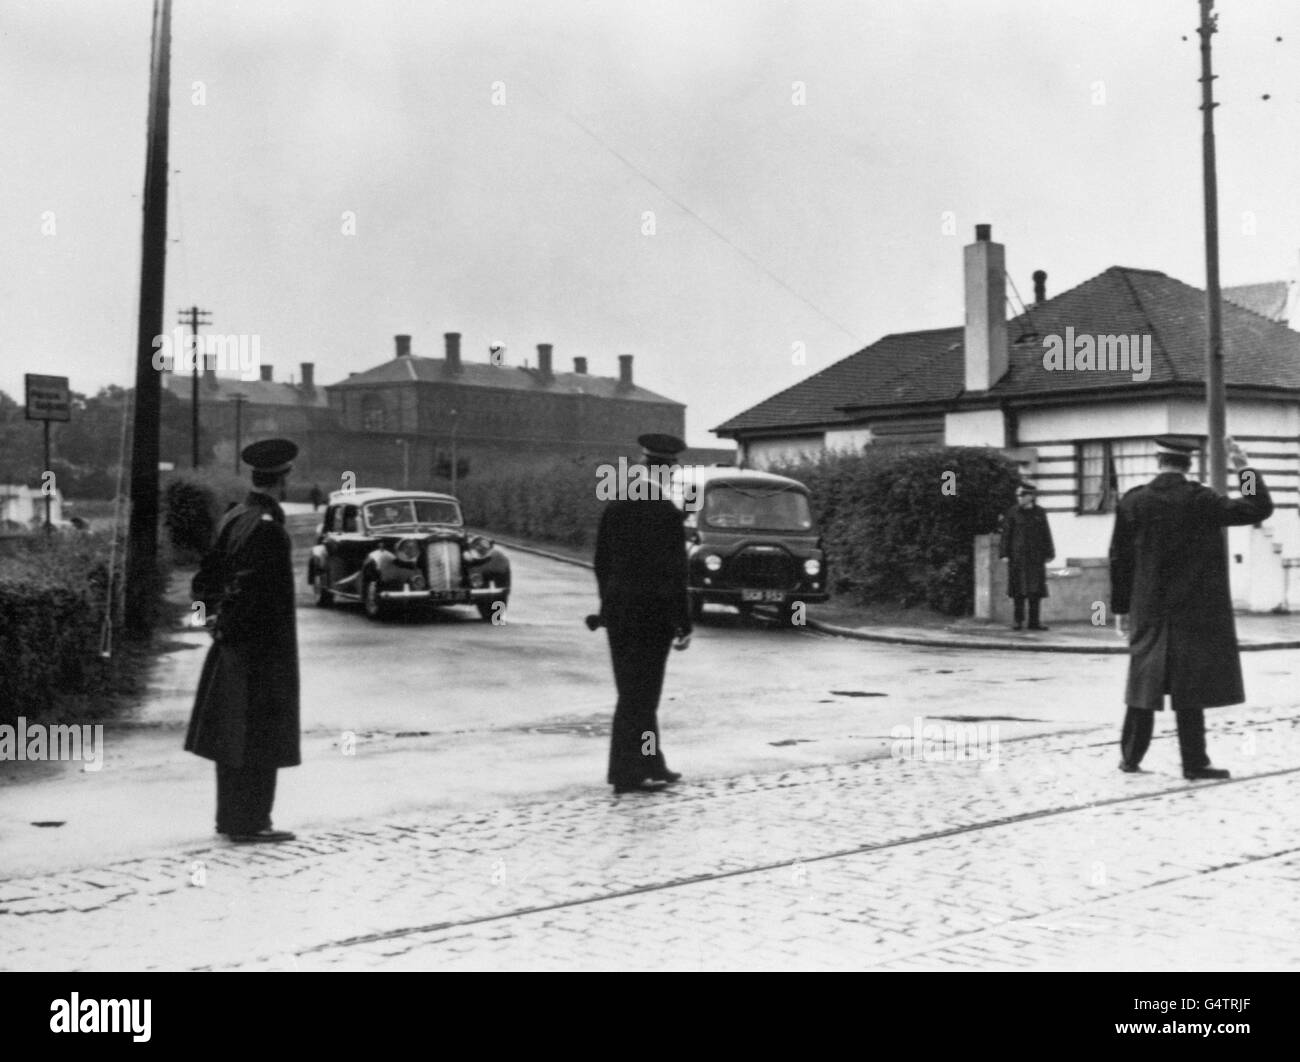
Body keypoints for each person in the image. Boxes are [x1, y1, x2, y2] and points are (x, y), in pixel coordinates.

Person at [1109, 434, 1272, 781]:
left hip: (1147, 606)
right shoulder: (1202, 500)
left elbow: (1119, 559)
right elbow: (1259, 508)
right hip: (1193, 608)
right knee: (1189, 684)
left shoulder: (1133, 501)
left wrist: (1120, 607)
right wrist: (1243, 466)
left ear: (1158, 461)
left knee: (1143, 680)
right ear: (1189, 463)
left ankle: (1130, 757)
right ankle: (1194, 762)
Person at [185, 438, 302, 842]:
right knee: (260, 737)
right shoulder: (268, 530)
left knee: (231, 737)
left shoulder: (234, 517)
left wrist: (212, 626)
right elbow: (250, 593)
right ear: (283, 479)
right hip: (261, 652)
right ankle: (251, 822)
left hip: (233, 649)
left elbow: (203, 581)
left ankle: (230, 819)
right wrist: (229, 626)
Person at [593, 433, 692, 794]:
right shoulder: (666, 512)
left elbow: (601, 563)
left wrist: (609, 605)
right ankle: (626, 772)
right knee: (642, 696)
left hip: (619, 614)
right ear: (667, 471)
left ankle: (651, 762)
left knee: (633, 692)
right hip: (653, 617)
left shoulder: (617, 502)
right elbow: (676, 573)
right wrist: (684, 623)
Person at [999, 482, 1055, 631]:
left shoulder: (1040, 512)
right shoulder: (1013, 512)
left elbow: (1046, 533)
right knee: (1018, 590)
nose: (1019, 498)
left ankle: (1034, 621)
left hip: (1036, 557)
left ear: (1031, 497)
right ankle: (1018, 621)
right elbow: (1006, 534)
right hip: (1018, 557)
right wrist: (1004, 553)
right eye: (1018, 495)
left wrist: (1049, 552)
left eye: (1022, 495)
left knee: (1035, 591)